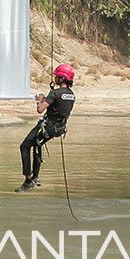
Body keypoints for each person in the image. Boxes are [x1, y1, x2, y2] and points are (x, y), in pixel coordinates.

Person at [15, 63, 77, 192]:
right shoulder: (71, 95)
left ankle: (28, 180)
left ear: (62, 78)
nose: (55, 78)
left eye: (57, 76)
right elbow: (67, 114)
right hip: (59, 128)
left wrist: (40, 100)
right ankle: (35, 177)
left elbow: (40, 110)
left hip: (48, 127)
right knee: (37, 145)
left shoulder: (55, 93)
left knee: (25, 146)